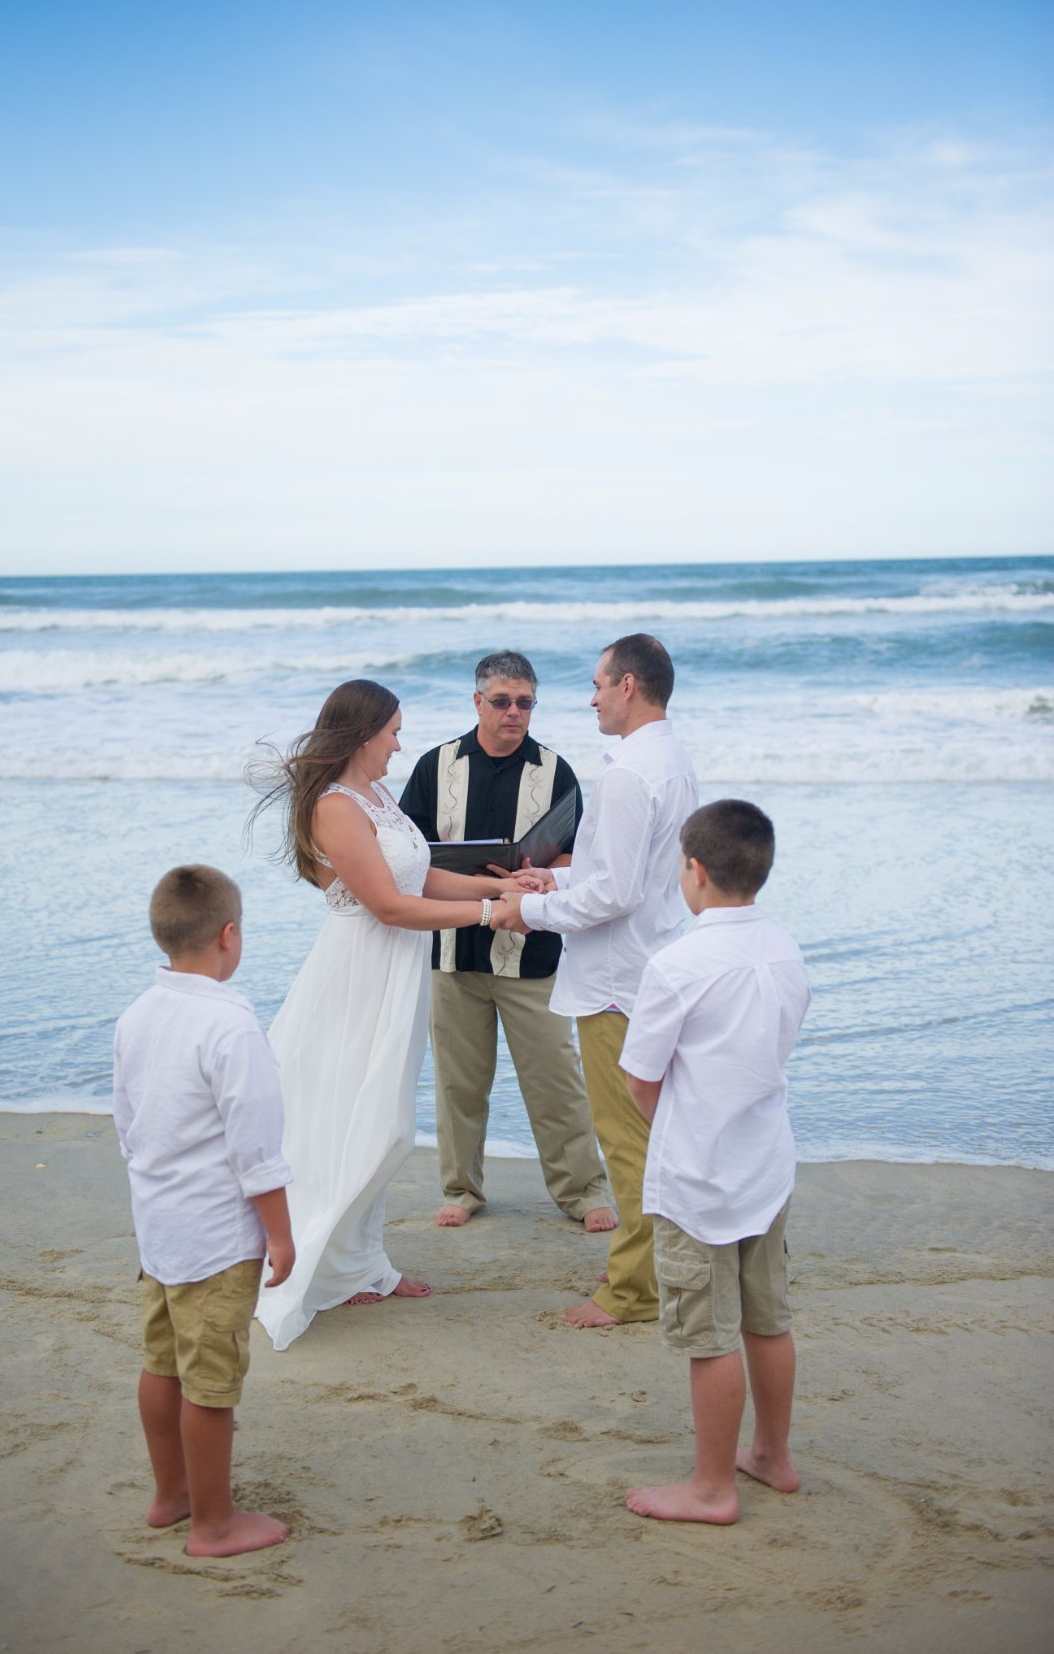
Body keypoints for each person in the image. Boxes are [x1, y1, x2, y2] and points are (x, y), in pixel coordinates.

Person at [248, 679, 517, 1351]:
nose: (400, 743)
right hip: (358, 976)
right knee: (361, 1118)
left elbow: (417, 876)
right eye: (393, 731)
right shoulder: (336, 807)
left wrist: (498, 883)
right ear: (363, 733)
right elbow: (388, 906)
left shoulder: (375, 797)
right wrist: (490, 914)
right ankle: (325, 1262)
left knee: (379, 1119)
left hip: (396, 974)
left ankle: (361, 1263)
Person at [499, 634, 698, 1327]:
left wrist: (527, 909)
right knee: (658, 1132)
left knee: (626, 1143)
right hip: (652, 964)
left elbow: (612, 894)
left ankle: (634, 1290)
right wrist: (553, 877)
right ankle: (667, 1267)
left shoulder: (625, 774)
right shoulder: (670, 759)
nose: (589, 698)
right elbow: (632, 876)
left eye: (596, 684)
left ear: (628, 686)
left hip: (616, 980)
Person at [621, 800, 811, 1524]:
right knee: (767, 1317)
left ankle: (710, 1487)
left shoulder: (676, 963)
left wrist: (671, 1127)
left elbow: (640, 1077)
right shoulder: (785, 949)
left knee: (708, 1333)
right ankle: (772, 1454)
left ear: (693, 872)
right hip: (765, 1160)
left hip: (698, 1173)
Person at [113, 864, 295, 1558]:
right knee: (210, 1381)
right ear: (229, 936)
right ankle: (213, 1525)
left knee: (161, 1362)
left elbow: (127, 1122)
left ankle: (171, 1495)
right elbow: (257, 1148)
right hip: (215, 1238)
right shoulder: (230, 1026)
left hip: (159, 1228)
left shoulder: (138, 1014)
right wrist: (279, 1235)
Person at [399, 650, 616, 1232]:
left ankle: (582, 1190)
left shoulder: (555, 771)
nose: (514, 712)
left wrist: (546, 873)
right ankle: (461, 1188)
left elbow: (576, 856)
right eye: (502, 701)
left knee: (554, 1079)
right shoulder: (434, 766)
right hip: (452, 949)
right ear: (478, 702)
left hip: (533, 950)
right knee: (458, 1082)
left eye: (525, 702)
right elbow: (406, 855)